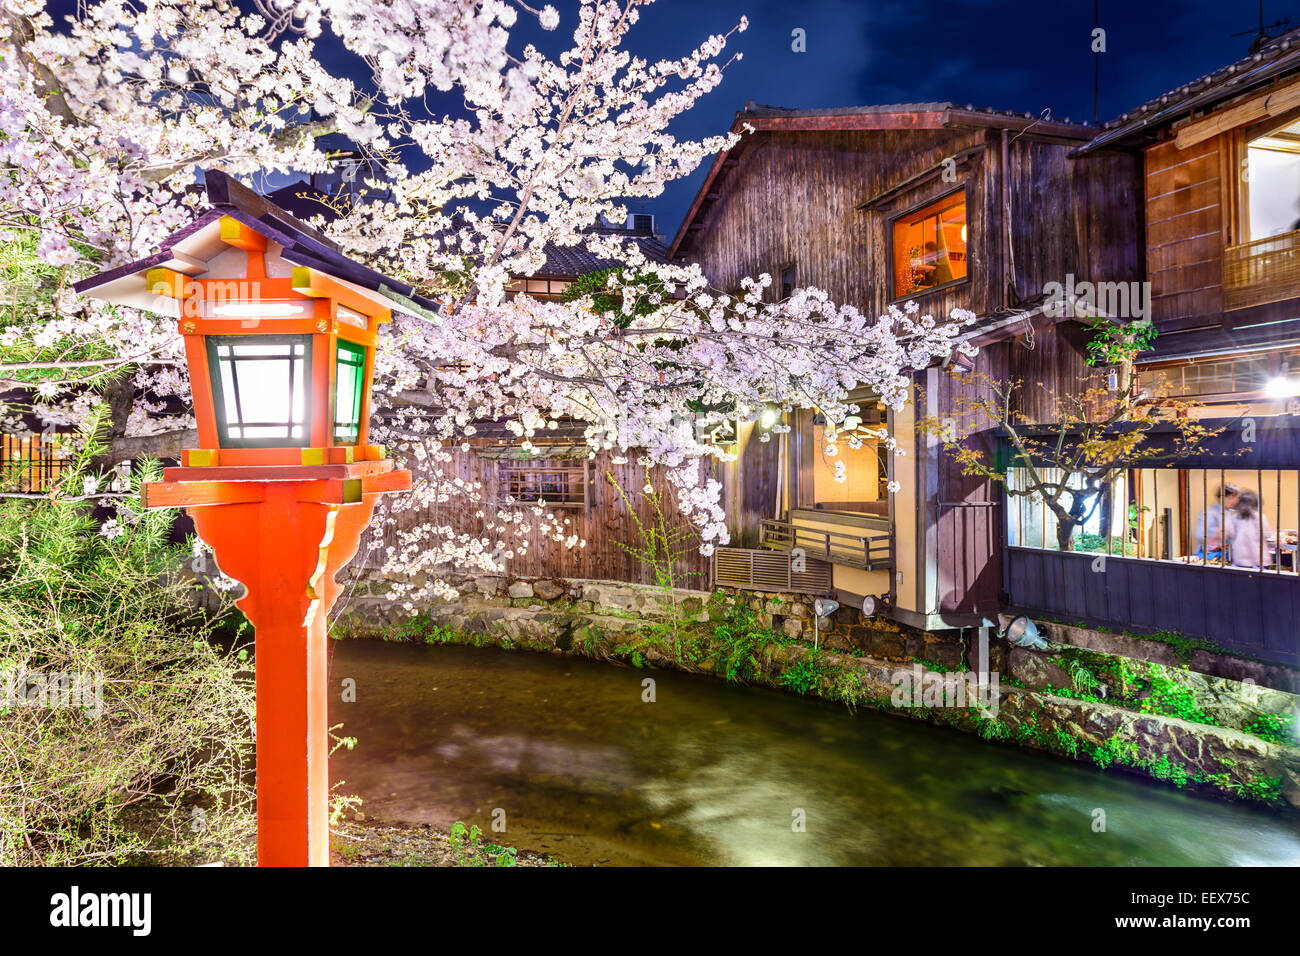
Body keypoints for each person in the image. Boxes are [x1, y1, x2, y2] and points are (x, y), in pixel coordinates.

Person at [1227, 490, 1276, 569]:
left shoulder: (1235, 516)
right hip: (1258, 558)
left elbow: (1231, 534)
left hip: (1240, 557)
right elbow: (1267, 534)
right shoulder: (1260, 516)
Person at [1192, 483, 1239, 562]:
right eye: (1230, 497)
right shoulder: (1210, 512)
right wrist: (1217, 534)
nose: (1234, 500)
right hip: (1208, 554)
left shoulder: (1230, 513)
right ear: (1221, 498)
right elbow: (1199, 533)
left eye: (1235, 497)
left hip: (1225, 554)